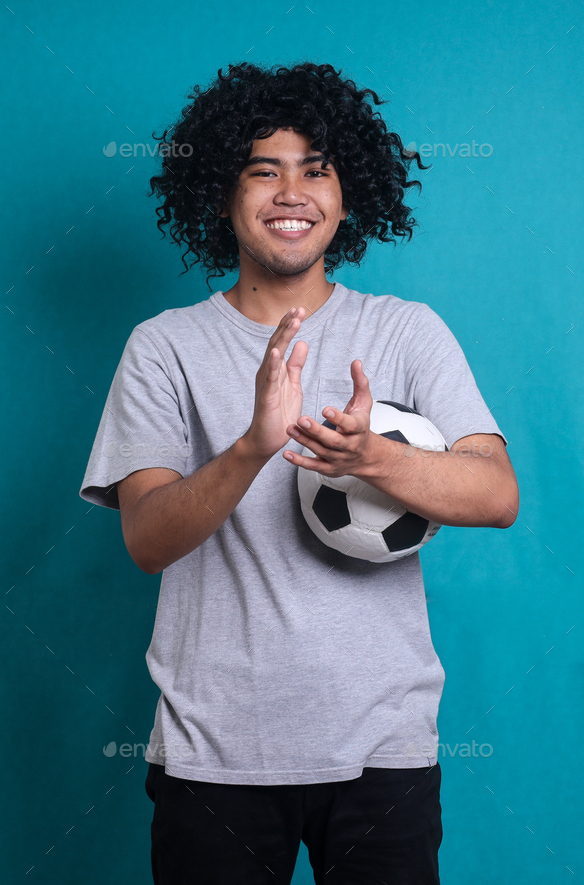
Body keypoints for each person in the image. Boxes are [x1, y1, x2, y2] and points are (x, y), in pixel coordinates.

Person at [80, 61, 519, 885]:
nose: (292, 192)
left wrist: (374, 457)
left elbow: (496, 495)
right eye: (263, 170)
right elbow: (145, 538)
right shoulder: (162, 346)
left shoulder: (408, 332)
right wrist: (253, 445)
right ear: (221, 194)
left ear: (348, 199)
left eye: (316, 171)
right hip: (214, 757)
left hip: (384, 752)